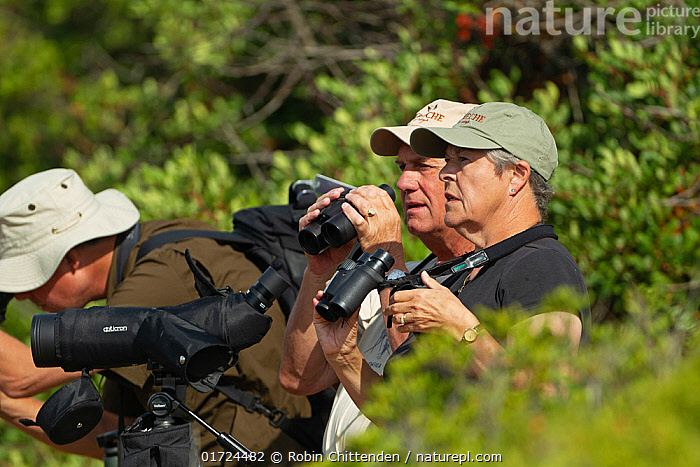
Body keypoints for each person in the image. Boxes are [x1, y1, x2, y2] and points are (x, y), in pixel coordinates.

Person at [0, 168, 310, 462]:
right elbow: (118, 436)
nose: (23, 295)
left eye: (28, 280)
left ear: (69, 259)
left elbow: (23, 377)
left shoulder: (151, 287)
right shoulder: (164, 238)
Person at [314, 101, 590, 413]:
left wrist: (462, 330)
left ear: (516, 176)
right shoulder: (466, 272)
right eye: (446, 160)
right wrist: (344, 355)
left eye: (462, 160)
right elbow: (407, 420)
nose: (446, 173)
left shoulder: (540, 265)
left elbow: (547, 399)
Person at [279, 99, 478, 453]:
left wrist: (386, 257)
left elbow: (419, 382)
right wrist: (320, 271)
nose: (403, 182)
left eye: (422, 165)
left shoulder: (483, 281)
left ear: (460, 173)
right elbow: (298, 379)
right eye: (402, 166)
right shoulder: (394, 275)